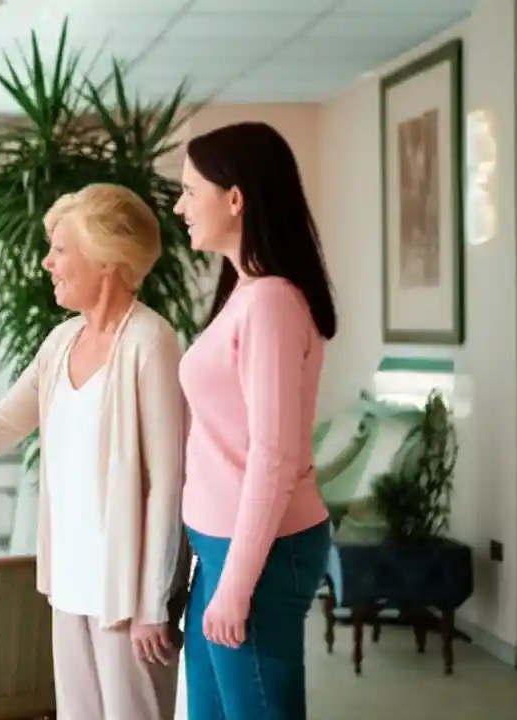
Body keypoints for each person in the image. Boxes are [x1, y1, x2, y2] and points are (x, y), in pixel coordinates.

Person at [0, 183, 191, 719]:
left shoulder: (149, 341)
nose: (48, 263)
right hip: (70, 580)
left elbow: (167, 480)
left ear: (105, 258)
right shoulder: (61, 341)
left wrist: (153, 602)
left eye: (61, 250)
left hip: (125, 592)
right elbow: (0, 425)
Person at [172, 121, 337, 720]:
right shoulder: (245, 294)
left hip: (259, 552)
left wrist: (236, 585)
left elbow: (274, 455)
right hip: (225, 547)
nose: (179, 204)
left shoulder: (270, 301)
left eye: (191, 190)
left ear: (235, 198)